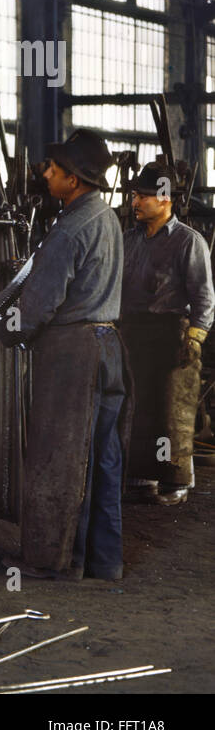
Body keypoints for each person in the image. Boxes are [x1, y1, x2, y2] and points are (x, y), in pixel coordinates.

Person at [0, 128, 127, 581]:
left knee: (59, 456)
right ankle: (104, 562)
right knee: (102, 457)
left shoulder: (70, 228)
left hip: (72, 354)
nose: (46, 173)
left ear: (74, 179)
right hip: (108, 345)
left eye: (54, 169)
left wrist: (11, 332)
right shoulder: (106, 218)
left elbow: (42, 304)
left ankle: (51, 561)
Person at [120, 161, 214, 506]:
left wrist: (195, 336)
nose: (136, 201)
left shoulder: (188, 243)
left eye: (143, 195)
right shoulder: (128, 240)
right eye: (135, 195)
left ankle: (176, 479)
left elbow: (204, 295)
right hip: (133, 332)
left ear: (164, 198)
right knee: (137, 406)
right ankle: (142, 476)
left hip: (171, 334)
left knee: (172, 410)